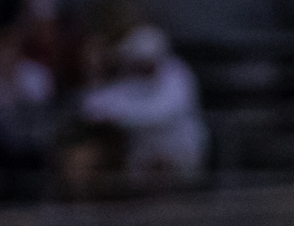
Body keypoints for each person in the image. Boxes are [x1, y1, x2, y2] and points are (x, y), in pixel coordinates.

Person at [76, 24, 207, 189]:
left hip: (182, 150)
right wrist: (96, 74)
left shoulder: (178, 74)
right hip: (143, 155)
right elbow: (92, 105)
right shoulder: (133, 74)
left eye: (148, 63)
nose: (144, 69)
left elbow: (162, 113)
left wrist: (119, 117)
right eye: (139, 63)